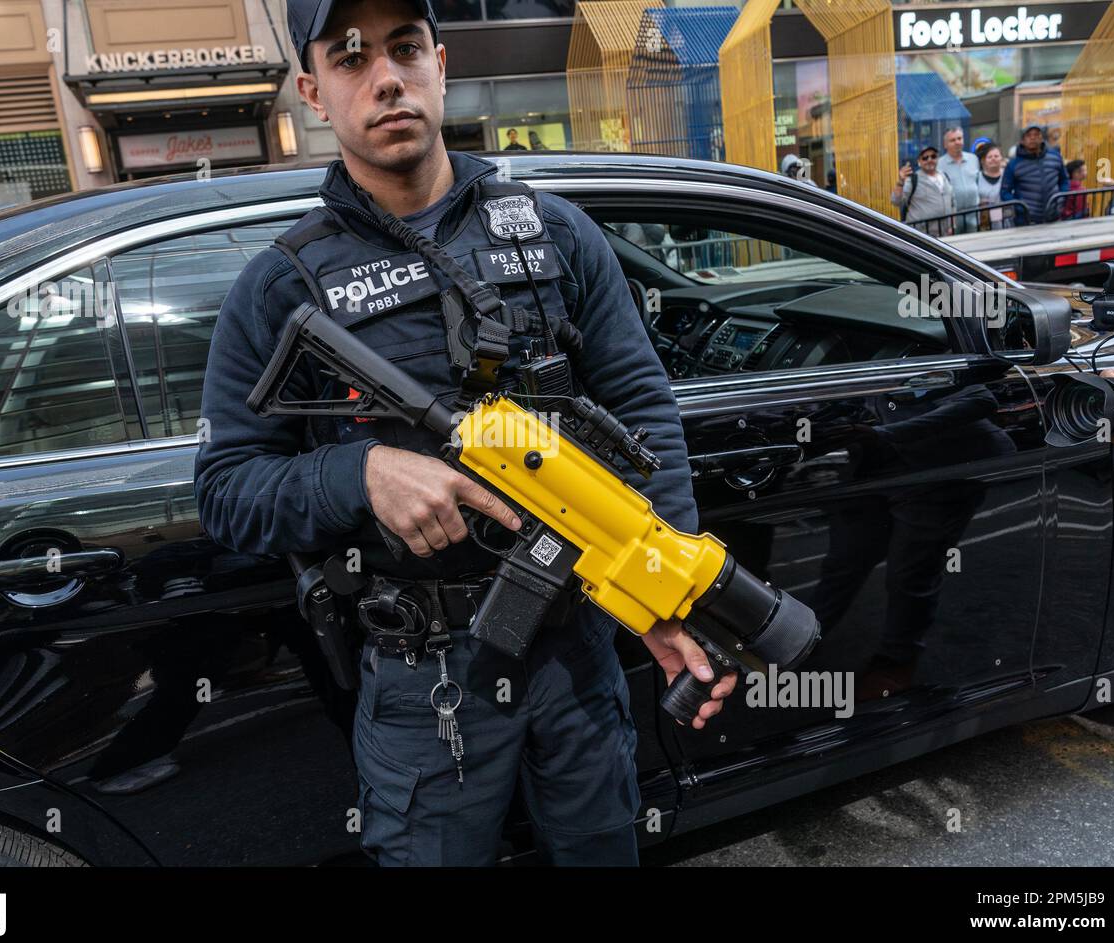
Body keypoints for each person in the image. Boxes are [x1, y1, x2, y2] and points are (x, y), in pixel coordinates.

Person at [194, 0, 735, 867]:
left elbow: (643, 417)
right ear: (312, 91)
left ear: (441, 64)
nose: (387, 78)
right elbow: (225, 492)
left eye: (406, 49)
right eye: (351, 57)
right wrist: (361, 474)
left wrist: (666, 600)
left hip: (575, 651)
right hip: (425, 679)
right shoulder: (281, 286)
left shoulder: (555, 234)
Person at [1000, 124, 1068, 224]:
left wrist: (1061, 198)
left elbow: (1064, 180)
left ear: (1042, 138)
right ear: (1022, 140)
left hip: (1054, 217)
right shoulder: (1013, 165)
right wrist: (1020, 207)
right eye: (1029, 135)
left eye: (1036, 134)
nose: (1033, 138)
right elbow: (1005, 192)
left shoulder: (1055, 157)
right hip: (1026, 222)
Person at [891, 146, 956, 236]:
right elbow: (896, 201)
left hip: (945, 234)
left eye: (933, 156)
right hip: (922, 236)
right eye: (925, 158)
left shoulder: (944, 175)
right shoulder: (913, 179)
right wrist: (900, 182)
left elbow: (952, 203)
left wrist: (952, 226)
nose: (930, 160)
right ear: (919, 162)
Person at [937, 127, 979, 232]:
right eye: (952, 140)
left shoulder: (973, 159)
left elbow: (978, 181)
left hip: (974, 213)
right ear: (945, 145)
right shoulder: (939, 164)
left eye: (959, 138)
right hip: (953, 216)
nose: (957, 142)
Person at [974, 143, 1011, 230]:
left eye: (996, 156)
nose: (993, 159)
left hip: (1007, 223)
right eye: (989, 157)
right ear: (983, 160)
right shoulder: (976, 178)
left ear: (1001, 158)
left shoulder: (1008, 175)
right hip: (985, 225)